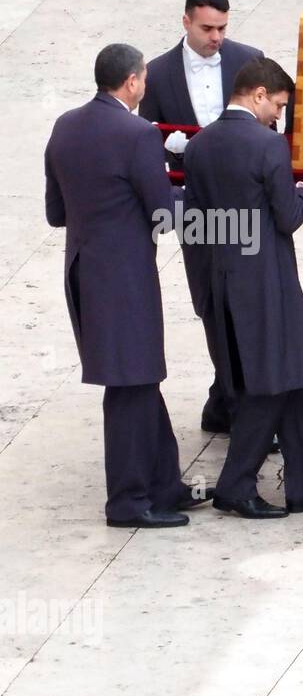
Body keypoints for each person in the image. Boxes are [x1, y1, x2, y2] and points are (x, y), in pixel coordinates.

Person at [184, 58, 303, 519]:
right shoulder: (268, 146)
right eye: (278, 106)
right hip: (266, 282)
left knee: (288, 380)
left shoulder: (200, 146)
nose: (278, 118)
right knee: (270, 384)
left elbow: (197, 224)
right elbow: (288, 216)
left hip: (223, 279)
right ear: (258, 94)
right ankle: (235, 486)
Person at [44, 43, 207, 528]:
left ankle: (164, 484)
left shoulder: (64, 126)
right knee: (129, 387)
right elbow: (163, 214)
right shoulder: (137, 133)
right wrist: (205, 191)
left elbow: (56, 214)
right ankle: (128, 502)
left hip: (84, 272)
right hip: (124, 279)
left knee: (138, 378)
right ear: (133, 82)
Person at [138, 0, 269, 435]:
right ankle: (230, 397)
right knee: (211, 301)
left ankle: (231, 400)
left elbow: (274, 123)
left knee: (248, 300)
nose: (217, 37)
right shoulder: (156, 74)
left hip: (248, 204)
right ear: (186, 22)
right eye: (208, 28)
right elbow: (142, 142)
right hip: (196, 206)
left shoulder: (250, 61)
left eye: (223, 27)